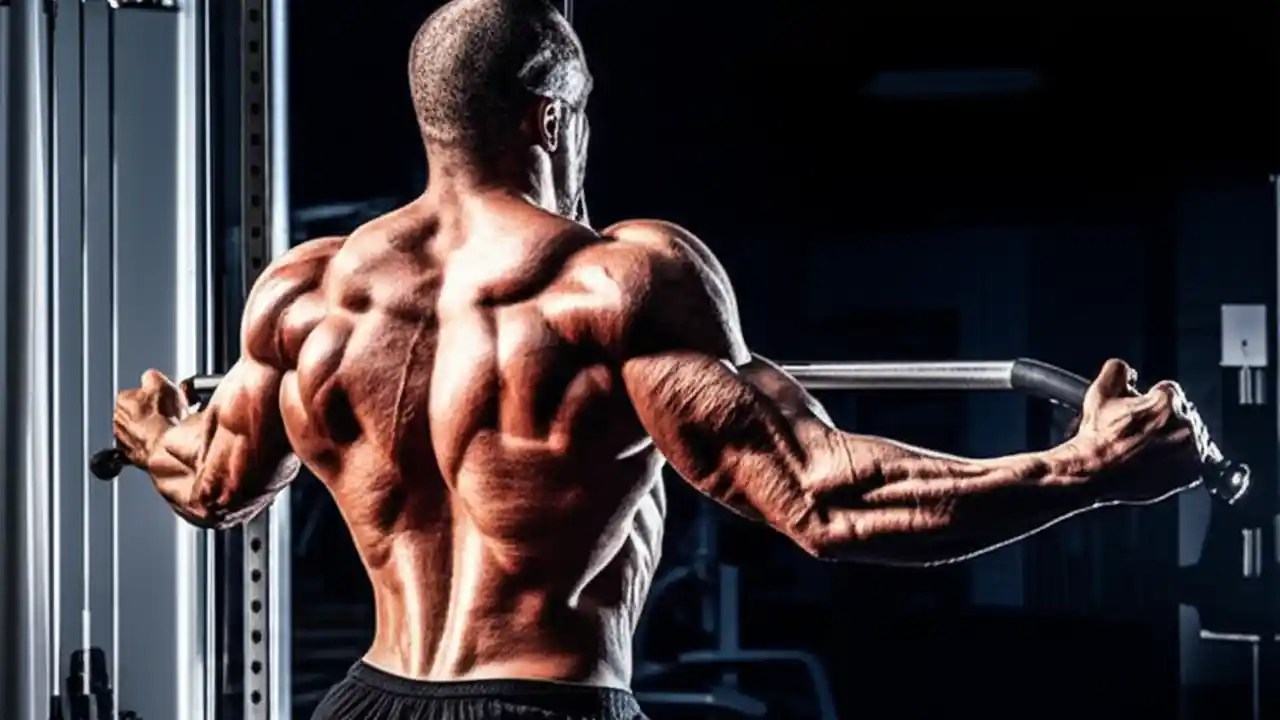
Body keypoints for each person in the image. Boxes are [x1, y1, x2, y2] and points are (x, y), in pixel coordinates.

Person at [110, 0, 1217, 718]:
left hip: (363, 703)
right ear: (551, 118)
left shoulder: (307, 294)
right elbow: (825, 503)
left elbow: (214, 483)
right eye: (580, 116)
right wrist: (1083, 472)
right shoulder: (617, 279)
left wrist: (154, 428)